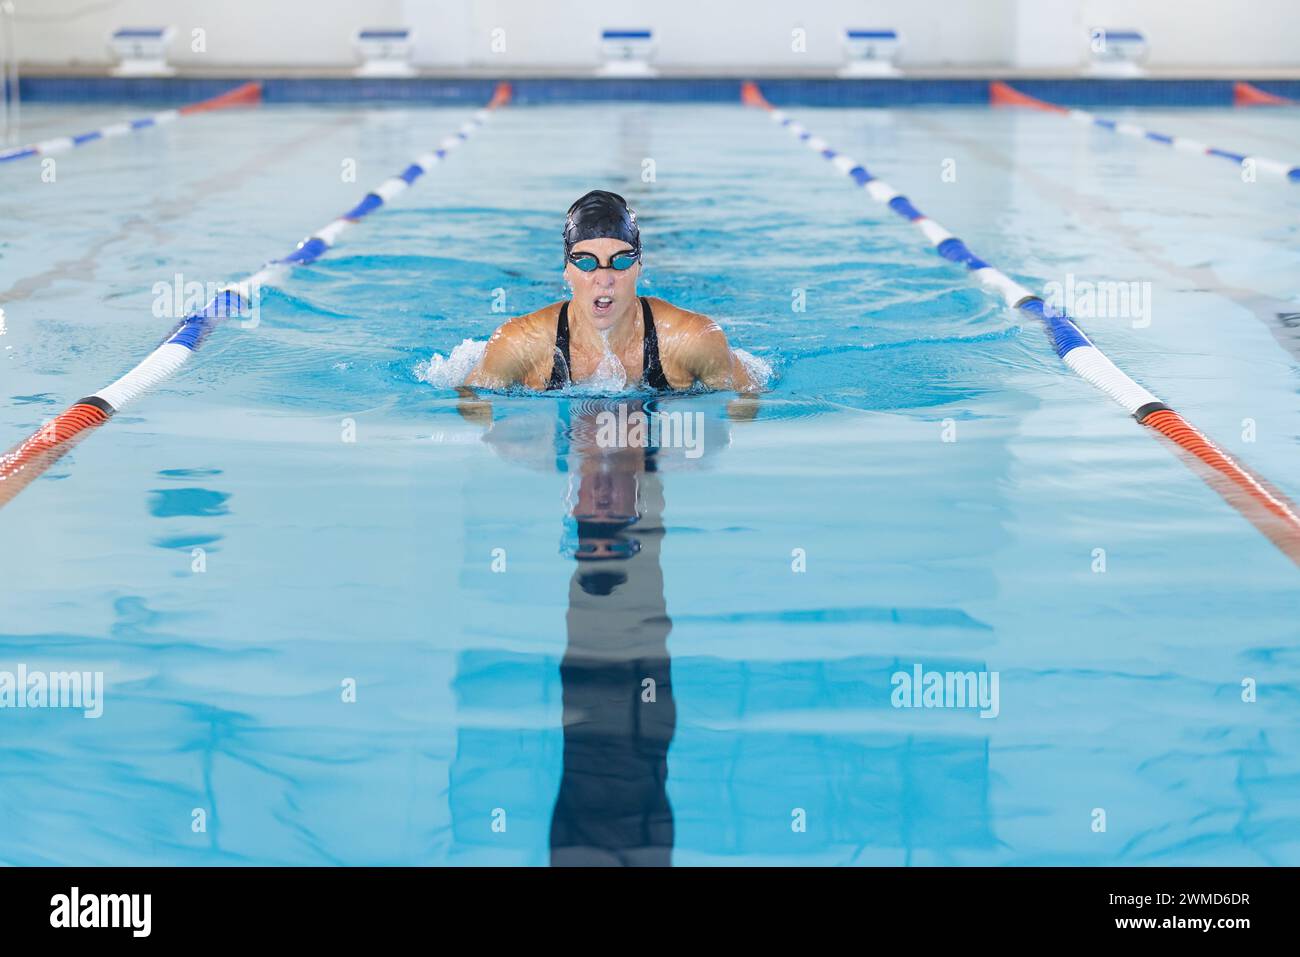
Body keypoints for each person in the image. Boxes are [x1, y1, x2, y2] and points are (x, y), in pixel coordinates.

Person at [463, 190, 756, 392]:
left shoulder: (691, 339)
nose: (604, 278)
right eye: (587, 262)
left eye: (621, 260)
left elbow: (746, 401)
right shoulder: (521, 343)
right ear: (567, 270)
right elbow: (471, 401)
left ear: (639, 265)